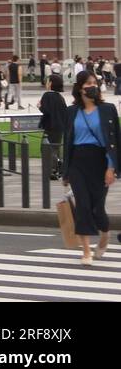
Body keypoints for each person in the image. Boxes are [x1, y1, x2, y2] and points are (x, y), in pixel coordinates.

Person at [62, 71, 120, 266]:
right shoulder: (71, 112)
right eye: (88, 83)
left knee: (97, 208)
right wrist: (66, 172)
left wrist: (111, 167)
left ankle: (105, 234)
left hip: (100, 162)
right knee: (83, 206)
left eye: (94, 83)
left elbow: (114, 141)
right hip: (78, 161)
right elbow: (67, 143)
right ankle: (86, 250)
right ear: (80, 88)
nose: (92, 86)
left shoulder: (108, 109)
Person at [39, 73, 69, 180]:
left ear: (51, 83)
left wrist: (40, 106)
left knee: (46, 148)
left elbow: (46, 110)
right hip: (60, 126)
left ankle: (54, 169)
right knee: (55, 148)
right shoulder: (60, 97)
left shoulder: (47, 95)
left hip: (50, 126)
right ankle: (57, 168)